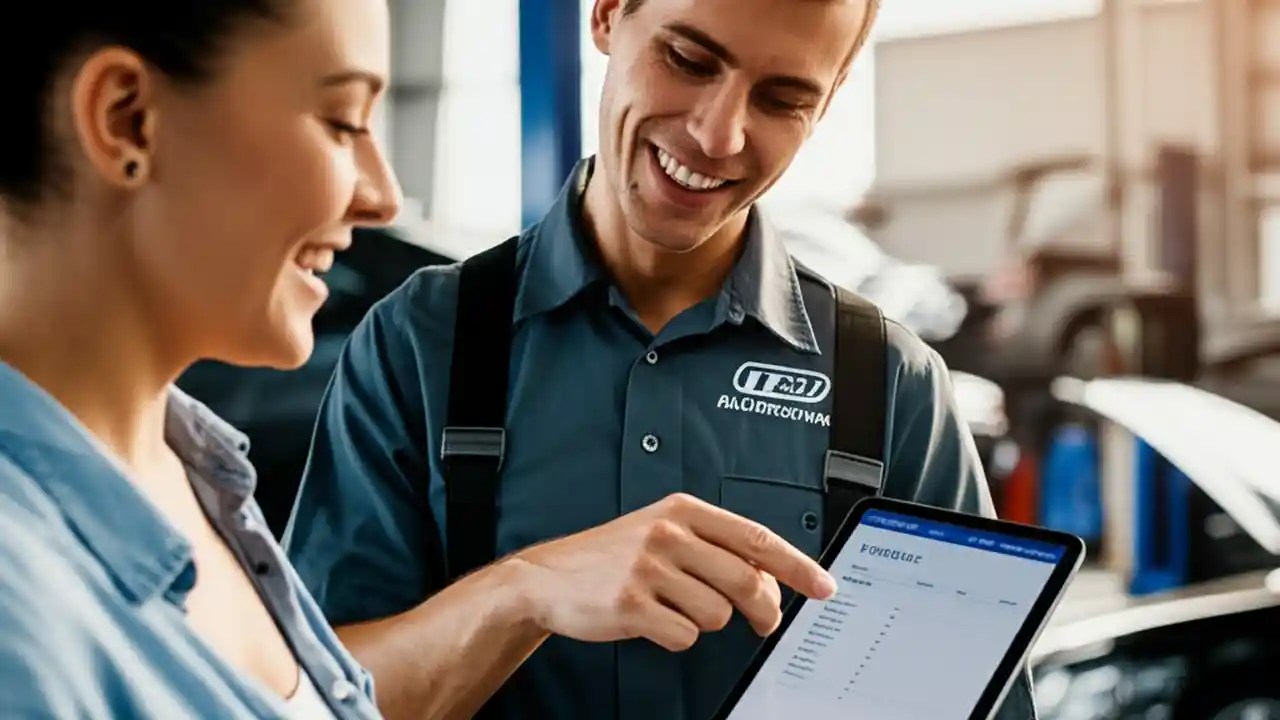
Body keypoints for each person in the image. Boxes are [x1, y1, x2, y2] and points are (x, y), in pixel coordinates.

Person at [286, 1, 1036, 720]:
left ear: (829, 102)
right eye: (688, 59)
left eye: (781, 99)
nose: (719, 135)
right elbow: (308, 697)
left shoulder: (890, 388)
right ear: (609, 14)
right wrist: (521, 593)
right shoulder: (422, 342)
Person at [0, 1, 405, 716]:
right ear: (128, 119)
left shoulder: (195, 470)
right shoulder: (20, 626)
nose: (384, 197)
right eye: (342, 121)